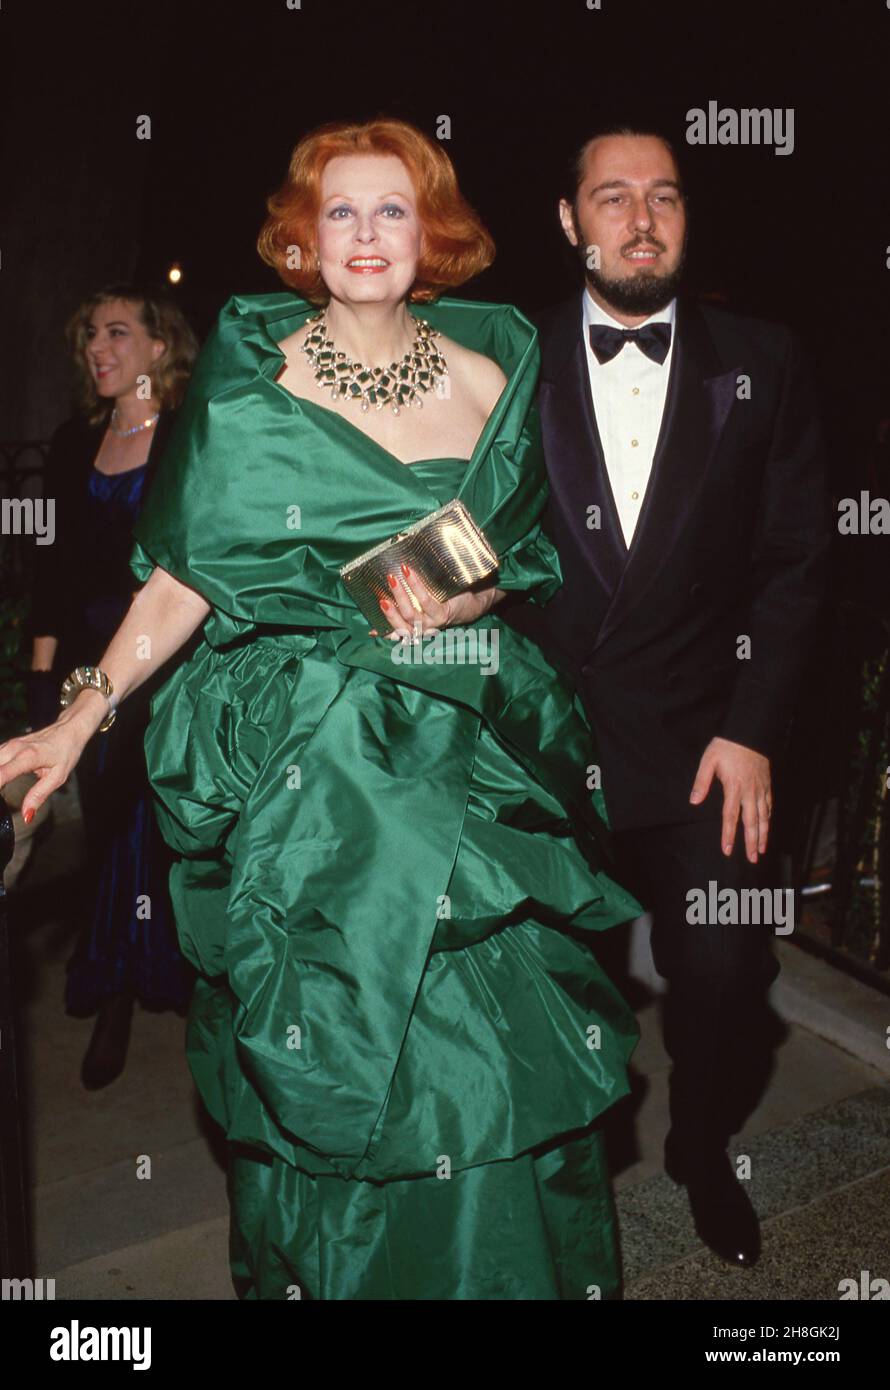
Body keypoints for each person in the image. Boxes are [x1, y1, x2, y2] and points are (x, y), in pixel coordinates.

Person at [0, 119, 642, 1300]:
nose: (363, 234)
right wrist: (79, 714)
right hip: (308, 756)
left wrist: (474, 594)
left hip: (459, 744)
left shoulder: (489, 374)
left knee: (479, 1042)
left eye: (389, 210)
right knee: (328, 1030)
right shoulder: (254, 388)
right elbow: (187, 574)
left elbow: (515, 548)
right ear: (301, 236)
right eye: (337, 212)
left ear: (430, 232)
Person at [502, 123, 831, 1266]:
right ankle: (570, 1168)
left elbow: (797, 561)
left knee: (728, 974)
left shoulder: (763, 358)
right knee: (550, 991)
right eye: (610, 197)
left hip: (704, 751)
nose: (639, 220)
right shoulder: (507, 358)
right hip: (549, 753)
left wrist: (751, 729)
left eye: (664, 197)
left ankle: (699, 1148)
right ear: (566, 219)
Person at [24, 285, 199, 1088]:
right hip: (81, 673)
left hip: (163, 663)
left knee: (144, 820)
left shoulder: (188, 439)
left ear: (159, 347)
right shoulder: (71, 444)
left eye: (118, 332)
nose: (98, 346)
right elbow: (50, 571)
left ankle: (130, 983)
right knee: (103, 822)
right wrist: (40, 675)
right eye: (90, 333)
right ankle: (118, 959)